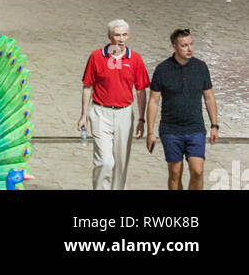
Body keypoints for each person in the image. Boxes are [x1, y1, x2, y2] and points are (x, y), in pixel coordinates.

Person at [79, 19, 150, 191]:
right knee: (104, 162)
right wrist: (83, 115)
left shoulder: (135, 59)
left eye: (124, 35)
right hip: (100, 112)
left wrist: (141, 119)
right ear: (109, 36)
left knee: (121, 162)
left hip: (124, 114)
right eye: (117, 35)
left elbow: (141, 91)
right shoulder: (96, 56)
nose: (121, 39)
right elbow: (87, 87)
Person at [146, 30, 218, 191]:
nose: (189, 49)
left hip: (195, 128)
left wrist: (214, 125)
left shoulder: (201, 67)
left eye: (191, 44)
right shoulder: (162, 70)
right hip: (170, 129)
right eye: (184, 45)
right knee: (175, 173)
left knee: (197, 171)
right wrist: (150, 132)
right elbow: (153, 101)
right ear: (174, 46)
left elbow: (209, 97)